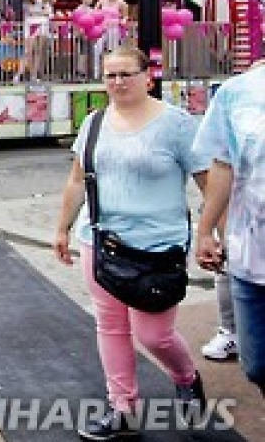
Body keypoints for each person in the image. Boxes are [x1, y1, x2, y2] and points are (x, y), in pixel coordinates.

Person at [52, 46, 208, 440]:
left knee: (154, 334)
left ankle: (186, 376)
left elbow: (209, 181)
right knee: (111, 325)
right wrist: (62, 228)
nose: (118, 82)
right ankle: (122, 408)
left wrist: (212, 232)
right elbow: (76, 179)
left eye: (126, 74)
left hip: (158, 248)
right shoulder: (94, 122)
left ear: (147, 76)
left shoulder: (177, 125)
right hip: (100, 242)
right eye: (110, 75)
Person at [193, 58, 265, 395]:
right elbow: (222, 165)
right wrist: (205, 230)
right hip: (250, 256)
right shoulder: (237, 93)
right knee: (257, 365)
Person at [16, 0, 51, 83]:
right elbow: (30, 10)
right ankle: (18, 75)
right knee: (28, 51)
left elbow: (48, 11)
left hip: (42, 23)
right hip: (31, 24)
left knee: (38, 52)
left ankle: (34, 76)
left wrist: (43, 13)